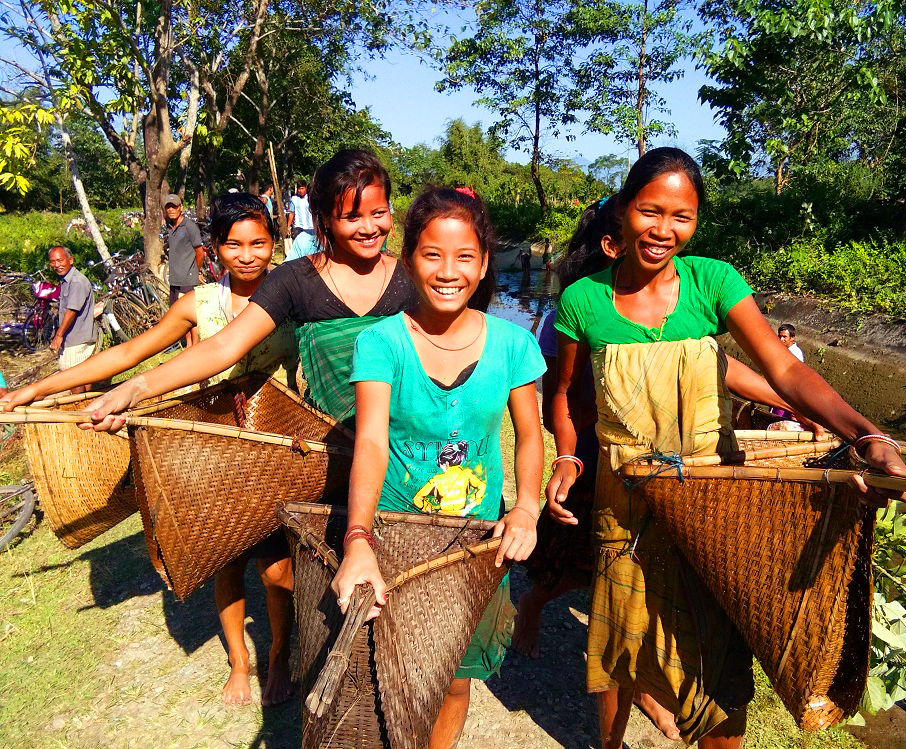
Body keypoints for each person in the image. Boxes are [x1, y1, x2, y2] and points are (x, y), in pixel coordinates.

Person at [546, 148, 906, 749]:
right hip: (626, 506)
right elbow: (565, 397)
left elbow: (782, 373)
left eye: (682, 217)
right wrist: (567, 457)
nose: (664, 230)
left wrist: (865, 434)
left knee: (720, 669)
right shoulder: (583, 301)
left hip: (712, 505)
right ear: (621, 210)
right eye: (650, 211)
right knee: (622, 643)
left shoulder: (714, 282)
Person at [3, 194, 300, 707]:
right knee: (221, 561)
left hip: (272, 450)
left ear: (275, 242)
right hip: (205, 450)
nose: (248, 255)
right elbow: (127, 352)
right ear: (215, 249)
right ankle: (239, 661)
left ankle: (277, 656)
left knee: (278, 570)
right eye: (234, 245)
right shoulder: (199, 304)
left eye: (259, 243)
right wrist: (38, 389)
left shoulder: (295, 297)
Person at [331, 187, 546, 749]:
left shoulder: (513, 345)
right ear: (408, 261)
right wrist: (358, 539)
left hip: (475, 543)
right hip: (395, 533)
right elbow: (372, 443)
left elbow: (529, 435)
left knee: (453, 677)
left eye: (464, 257)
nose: (448, 271)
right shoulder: (382, 343)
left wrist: (525, 507)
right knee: (388, 667)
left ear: (483, 266)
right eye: (432, 255)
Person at [80, 148, 418, 436]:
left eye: (379, 212)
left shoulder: (410, 277)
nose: (370, 227)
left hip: (413, 444)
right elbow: (224, 345)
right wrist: (135, 388)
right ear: (326, 219)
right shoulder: (296, 279)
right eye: (352, 216)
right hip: (331, 448)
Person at [48, 246, 97, 391]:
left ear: (71, 260)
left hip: (76, 338)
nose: (57, 265)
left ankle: (78, 408)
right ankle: (86, 406)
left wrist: (59, 335)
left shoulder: (76, 282)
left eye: (60, 260)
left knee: (72, 378)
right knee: (84, 376)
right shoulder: (67, 280)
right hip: (78, 336)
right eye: (53, 262)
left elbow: (71, 311)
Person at [163, 193, 206, 348]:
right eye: (168, 207)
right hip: (175, 278)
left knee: (190, 313)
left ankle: (195, 344)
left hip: (187, 278)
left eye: (174, 206)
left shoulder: (189, 227)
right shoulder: (169, 226)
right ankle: (188, 343)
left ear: (181, 207)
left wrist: (195, 271)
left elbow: (200, 251)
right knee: (179, 313)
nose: (171, 209)